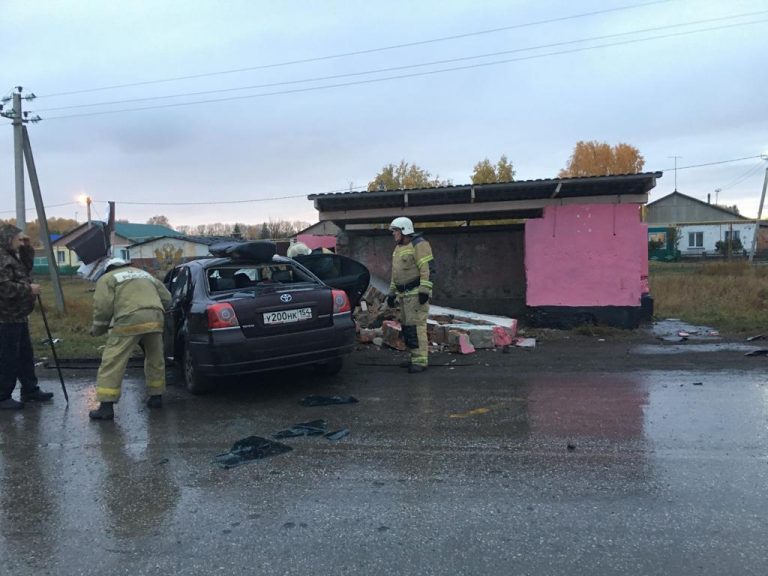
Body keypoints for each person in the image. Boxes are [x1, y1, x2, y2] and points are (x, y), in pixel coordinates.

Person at [88, 258, 171, 421]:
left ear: (108, 268)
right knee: (155, 357)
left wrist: (98, 330)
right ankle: (156, 397)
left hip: (129, 318)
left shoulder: (107, 278)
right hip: (155, 317)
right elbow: (167, 298)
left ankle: (106, 406)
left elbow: (103, 308)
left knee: (113, 360)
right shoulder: (145, 274)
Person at [0, 224, 54, 410]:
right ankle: (3, 396)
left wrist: (27, 247)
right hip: (5, 317)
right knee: (8, 357)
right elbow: (4, 288)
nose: (19, 241)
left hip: (18, 314)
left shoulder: (11, 255)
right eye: (17, 239)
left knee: (25, 354)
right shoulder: (1, 258)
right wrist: (28, 289)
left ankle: (30, 389)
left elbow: (26, 268)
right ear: (8, 239)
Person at [386, 217, 434, 373]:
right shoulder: (398, 248)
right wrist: (391, 294)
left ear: (404, 230)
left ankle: (421, 361)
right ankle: (414, 358)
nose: (393, 234)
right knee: (408, 327)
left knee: (417, 326)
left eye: (395, 230)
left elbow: (427, 269)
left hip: (415, 293)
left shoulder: (419, 244)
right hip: (403, 295)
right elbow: (396, 274)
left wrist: (424, 290)